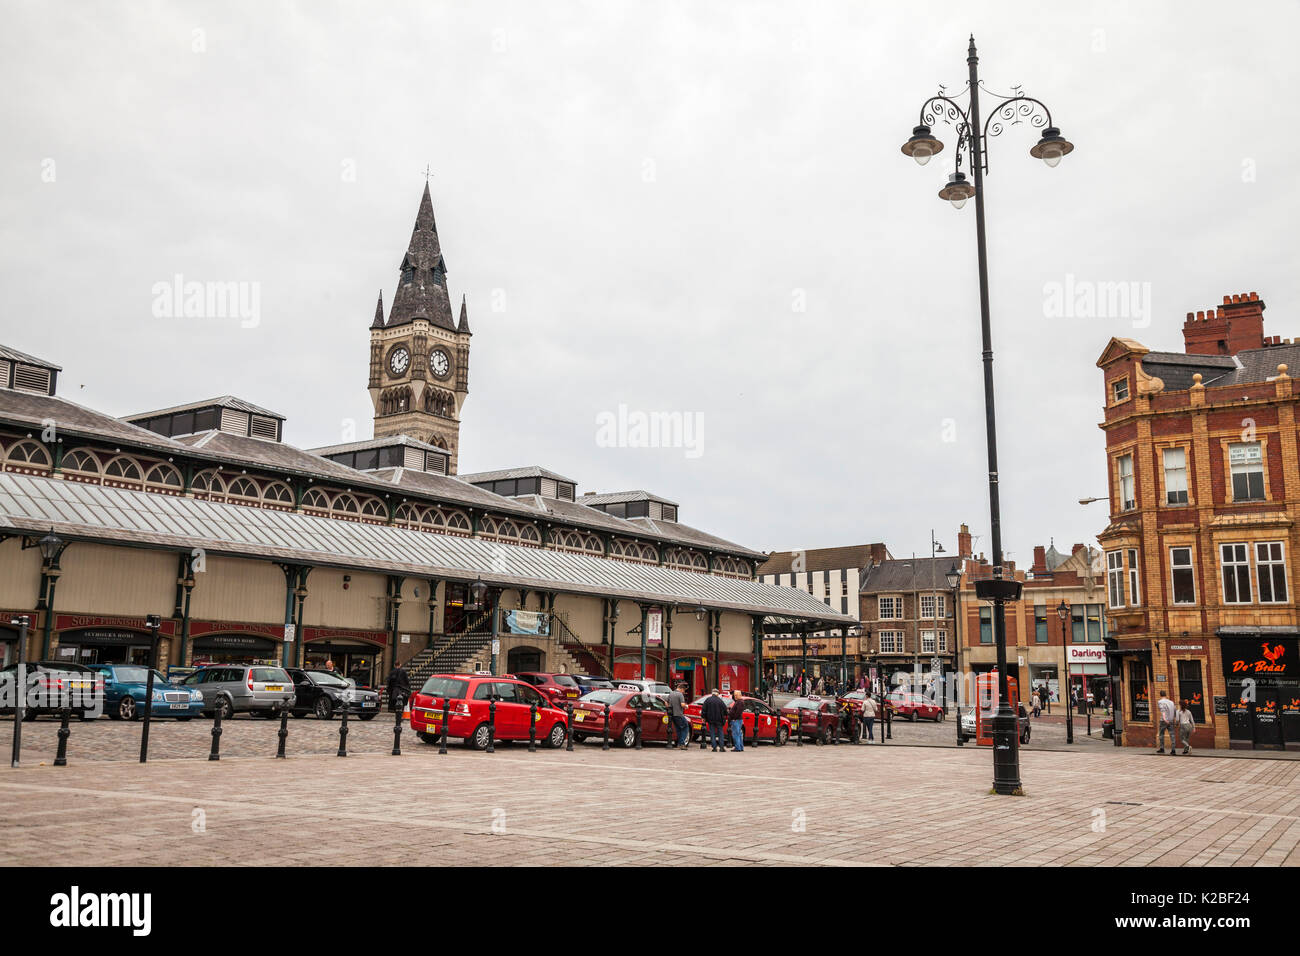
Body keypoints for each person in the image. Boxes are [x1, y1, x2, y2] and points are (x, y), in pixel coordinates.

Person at [701, 688, 728, 752]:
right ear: (717, 694)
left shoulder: (708, 700)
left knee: (712, 733)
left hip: (710, 719)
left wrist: (703, 717)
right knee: (720, 733)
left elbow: (704, 709)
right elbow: (725, 710)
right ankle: (721, 747)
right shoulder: (720, 701)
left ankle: (714, 747)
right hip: (719, 719)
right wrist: (725, 715)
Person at [667, 681, 689, 750]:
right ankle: (681, 744)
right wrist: (686, 706)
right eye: (684, 690)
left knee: (679, 729)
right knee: (685, 727)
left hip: (672, 715)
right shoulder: (680, 695)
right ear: (681, 689)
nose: (683, 692)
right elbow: (682, 704)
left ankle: (679, 743)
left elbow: (666, 703)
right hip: (679, 714)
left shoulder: (671, 693)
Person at [1155, 689, 1177, 753]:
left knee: (1161, 734)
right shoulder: (1171, 702)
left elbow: (1163, 710)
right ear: (1165, 694)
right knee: (1172, 734)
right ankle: (1173, 750)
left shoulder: (1160, 702)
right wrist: (1174, 719)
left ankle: (1162, 748)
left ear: (1160, 695)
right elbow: (1175, 711)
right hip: (1171, 720)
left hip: (1164, 721)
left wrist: (1165, 719)